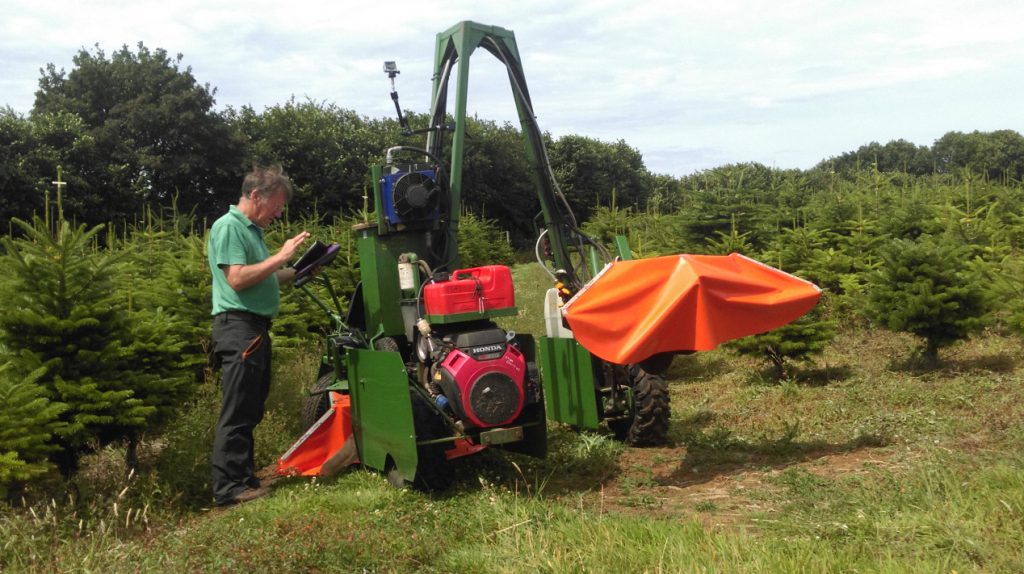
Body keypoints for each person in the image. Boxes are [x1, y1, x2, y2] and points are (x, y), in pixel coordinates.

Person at [207, 165, 311, 506]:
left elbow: (261, 276)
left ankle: (244, 478)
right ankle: (229, 489)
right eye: (277, 205)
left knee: (250, 408)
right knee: (237, 410)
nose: (279, 213)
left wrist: (297, 270)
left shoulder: (251, 232)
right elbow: (237, 278)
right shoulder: (229, 227)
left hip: (253, 330)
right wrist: (281, 255)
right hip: (238, 329)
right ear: (255, 196)